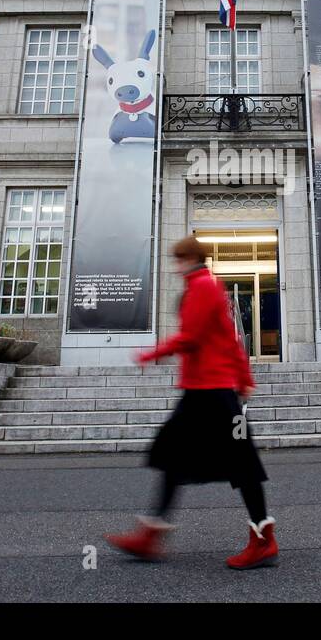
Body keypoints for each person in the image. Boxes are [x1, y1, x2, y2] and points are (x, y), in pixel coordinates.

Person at [104, 236, 278, 570]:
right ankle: (151, 535)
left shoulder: (201, 287)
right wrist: (244, 378)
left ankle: (262, 540)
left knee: (239, 464)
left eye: (179, 259)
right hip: (207, 392)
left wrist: (151, 353)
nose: (176, 265)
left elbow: (192, 337)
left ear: (190, 259)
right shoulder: (208, 287)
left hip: (210, 394)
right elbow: (229, 337)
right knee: (177, 457)